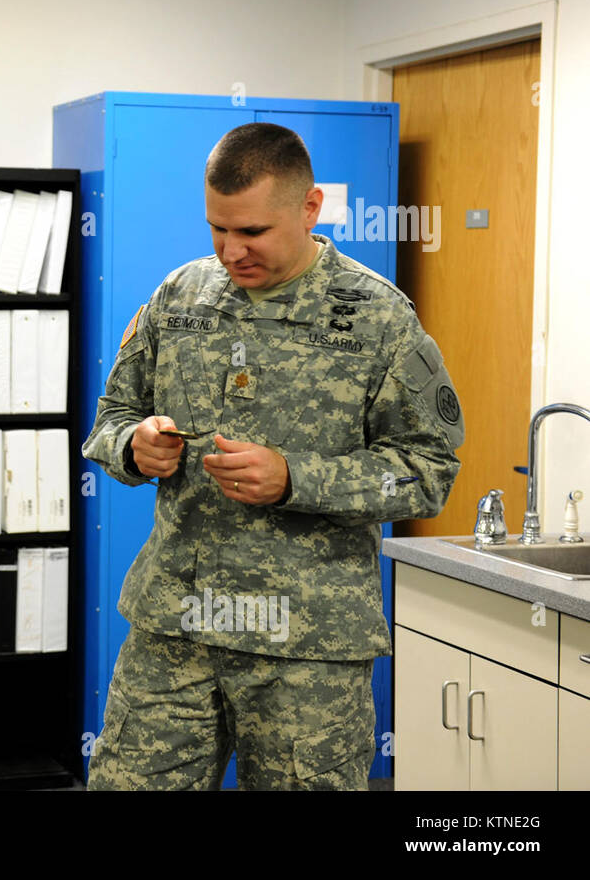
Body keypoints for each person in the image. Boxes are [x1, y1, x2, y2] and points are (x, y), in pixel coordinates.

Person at [82, 122, 464, 790]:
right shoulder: (181, 296)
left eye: (253, 232)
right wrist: (135, 448)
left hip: (307, 648)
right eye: (217, 229)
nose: (232, 251)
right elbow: (110, 420)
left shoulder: (378, 318)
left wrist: (296, 478)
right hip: (178, 626)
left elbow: (428, 472)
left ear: (309, 207)